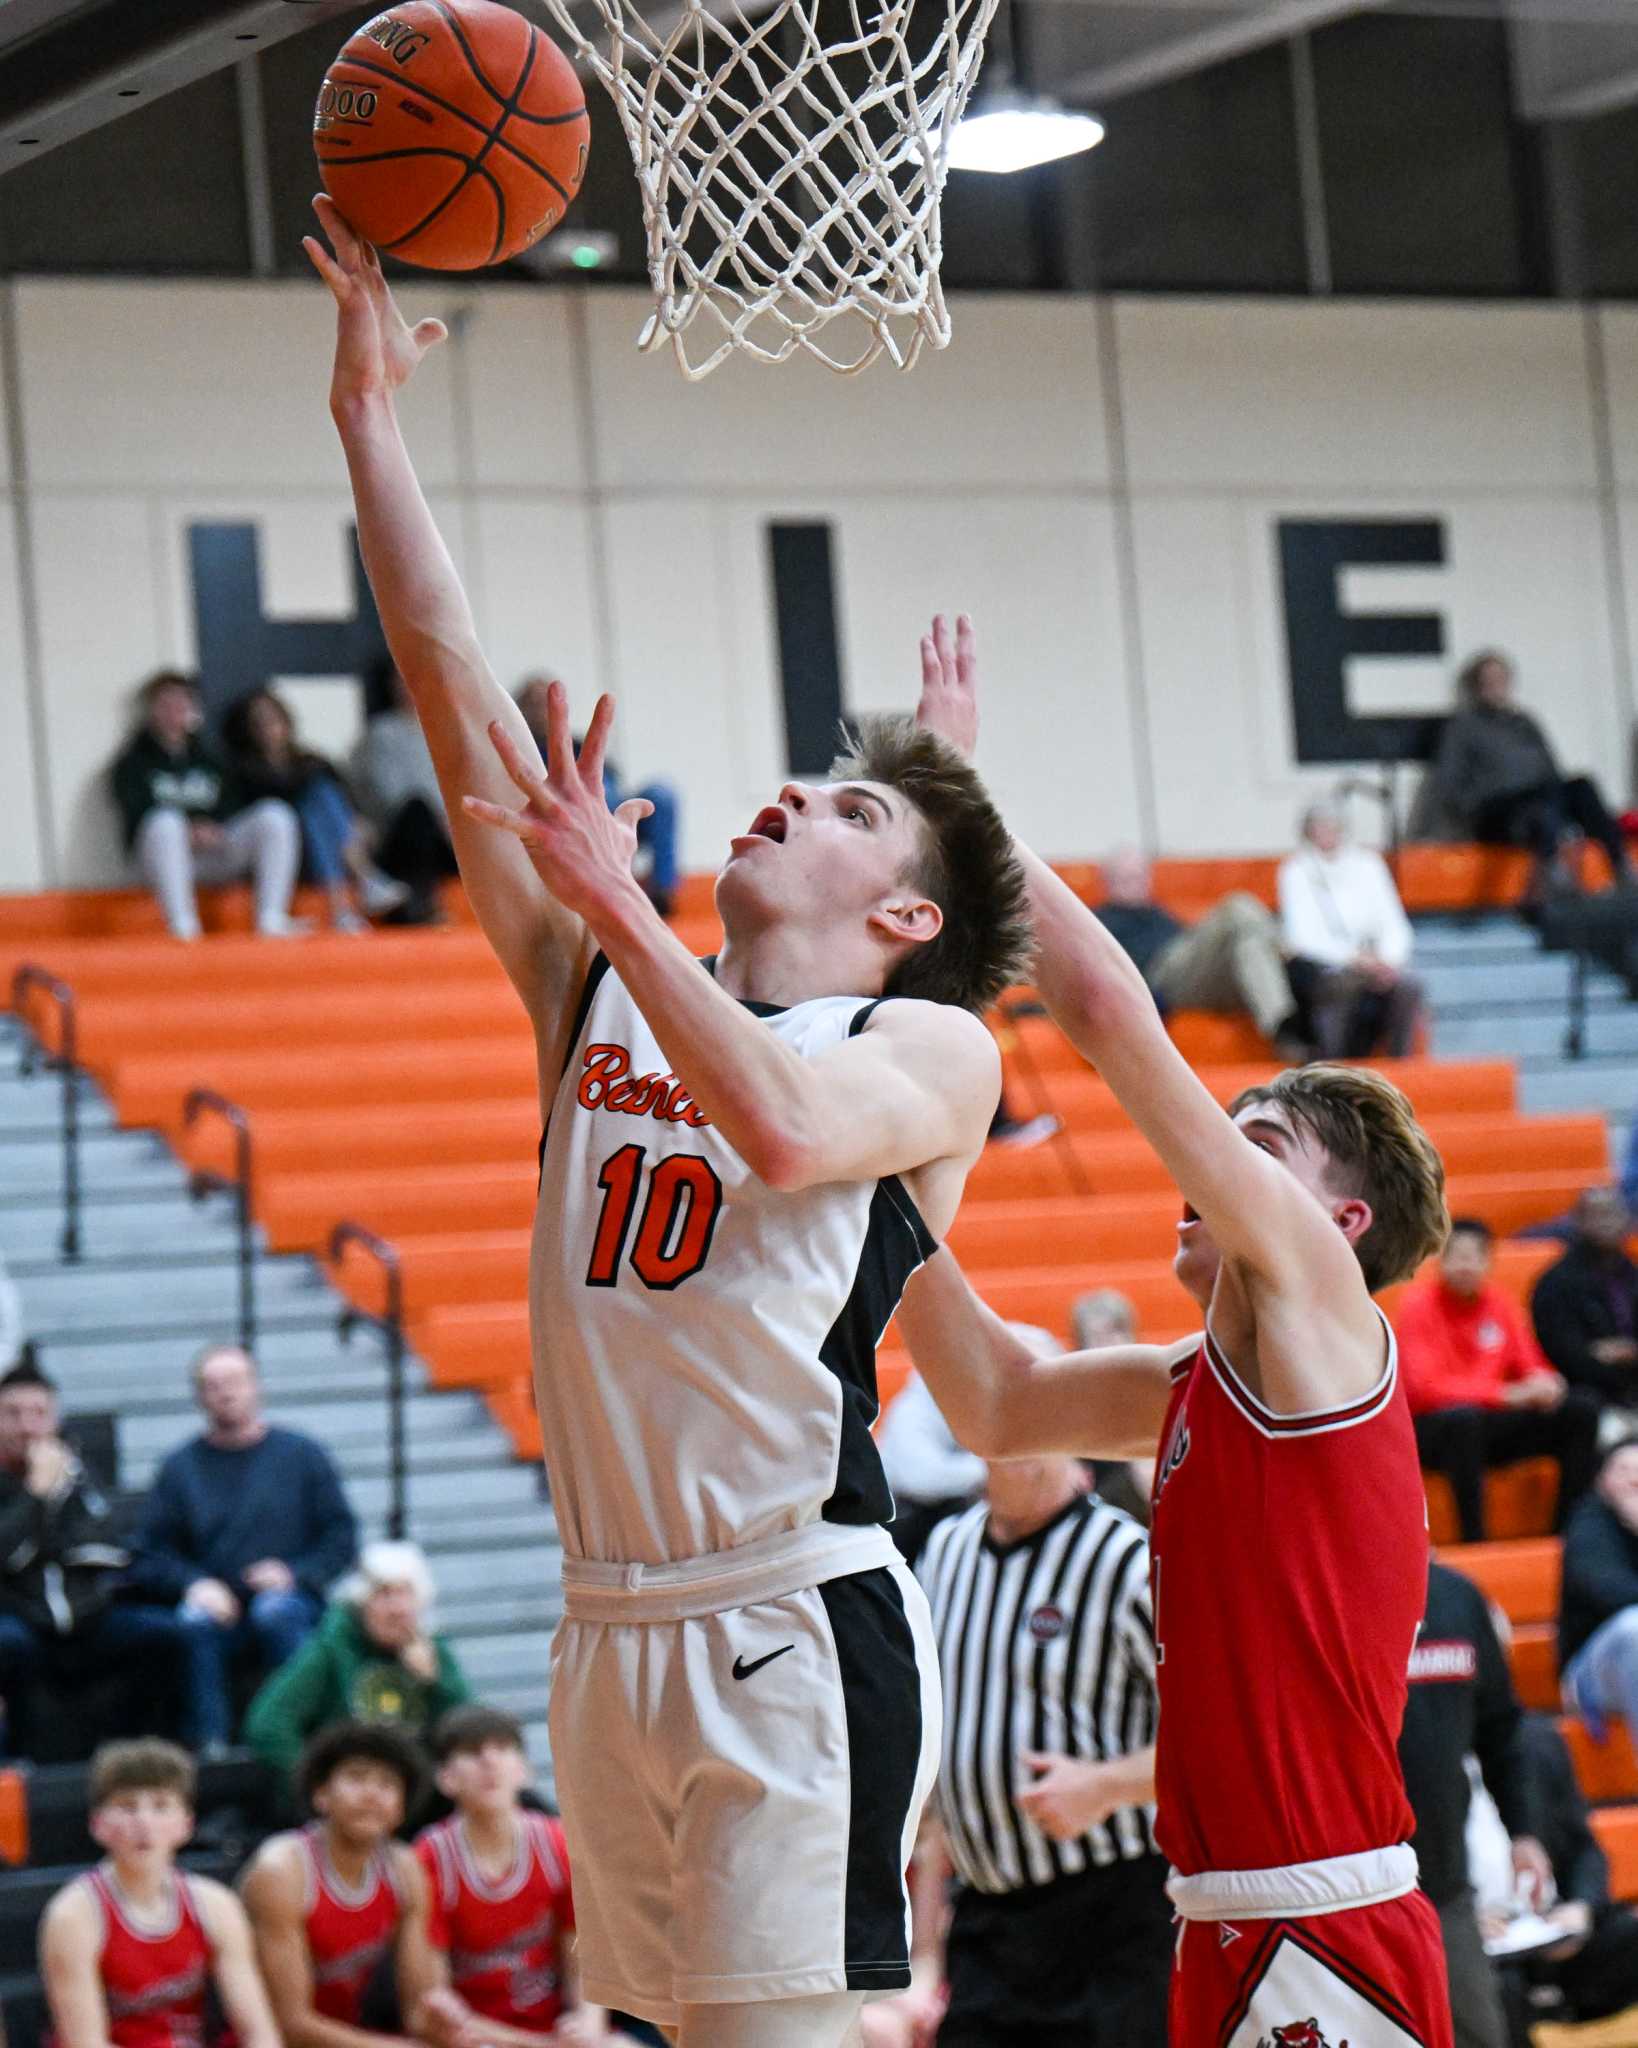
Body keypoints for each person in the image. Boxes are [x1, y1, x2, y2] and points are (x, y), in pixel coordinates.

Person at [307, 200, 1028, 2048]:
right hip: (602, 1618)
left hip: (788, 1612)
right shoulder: (601, 984)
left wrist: (623, 909)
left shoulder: (923, 1044)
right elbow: (449, 675)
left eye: (852, 808)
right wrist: (371, 428)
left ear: (907, 913)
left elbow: (779, 1131)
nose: (793, 790)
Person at [898, 613, 1456, 2045]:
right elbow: (996, 1401)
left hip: (1320, 1916)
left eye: (1256, 1143)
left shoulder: (1323, 1312)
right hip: (1216, 1913)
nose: (1211, 1159)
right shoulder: (1195, 1379)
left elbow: (1102, 1007)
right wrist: (872, 1187)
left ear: (1338, 1223)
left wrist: (953, 805)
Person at [914, 1435, 1168, 2047]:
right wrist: (923, 1955)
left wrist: (1104, 1786)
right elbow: (937, 1790)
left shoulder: (1126, 1559)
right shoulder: (945, 1551)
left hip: (1113, 1922)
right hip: (984, 1918)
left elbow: (1215, 1743)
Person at [132, 1343, 357, 1752]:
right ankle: (211, 1749)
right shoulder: (179, 1468)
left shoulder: (303, 1455)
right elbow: (149, 1552)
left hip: (292, 1600)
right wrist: (194, 1584)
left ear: (257, 1386)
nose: (226, 1393)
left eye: (235, 1381)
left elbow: (342, 1538)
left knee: (276, 1612)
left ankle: (308, 1740)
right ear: (199, 1397)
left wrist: (294, 1574)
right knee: (193, 1622)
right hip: (216, 1604)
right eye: (213, 1385)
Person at [39, 1738, 281, 2048]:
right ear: (97, 1824)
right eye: (127, 1807)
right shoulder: (73, 1915)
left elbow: (259, 2033)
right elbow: (85, 2043)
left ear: (186, 1824)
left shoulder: (216, 1904)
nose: (144, 1823)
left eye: (161, 1806)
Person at [0, 1356, 186, 1756]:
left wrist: (41, 1533)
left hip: (86, 1615)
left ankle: (145, 1753)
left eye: (38, 1413)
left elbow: (108, 1548)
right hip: (20, 1618)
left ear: (55, 1419)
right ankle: (16, 1761)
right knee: (8, 1644)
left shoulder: (79, 1471)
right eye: (13, 1414)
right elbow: (5, 1554)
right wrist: (36, 1495)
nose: (27, 1426)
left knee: (165, 1635)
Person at [1397, 1561, 1547, 2048]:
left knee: (1479, 2034)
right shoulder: (1333, 1593)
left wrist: (1523, 1832)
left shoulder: (1458, 1598)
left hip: (1445, 1885)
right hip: (1352, 1884)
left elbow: (1501, 1729)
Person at [240, 1720, 440, 2048]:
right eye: (357, 1778)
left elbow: (418, 2011)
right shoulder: (281, 1872)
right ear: (321, 1795)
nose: (372, 1794)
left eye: (387, 1784)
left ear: (401, 1808)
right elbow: (290, 2024)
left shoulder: (405, 1868)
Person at [416, 1704, 609, 2043]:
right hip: (478, 2036)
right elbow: (434, 2006)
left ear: (523, 1770)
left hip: (554, 2026)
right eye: (472, 1752)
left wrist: (588, 2020)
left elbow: (585, 1961)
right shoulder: (429, 1859)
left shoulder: (558, 1843)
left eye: (503, 1748)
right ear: (446, 1778)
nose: (490, 1762)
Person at [1400, 1219, 1601, 1544]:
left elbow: (1530, 1363)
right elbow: (1424, 1389)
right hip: (1436, 1431)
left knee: (1581, 1409)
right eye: (1458, 1256)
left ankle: (1566, 1530)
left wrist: (1546, 1382)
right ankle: (1475, 1540)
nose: (1466, 1265)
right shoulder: (1418, 1307)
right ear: (1441, 1260)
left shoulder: (1498, 1304)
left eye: (1474, 1256)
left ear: (1488, 1262)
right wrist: (1505, 1394)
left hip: (1490, 1422)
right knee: (1463, 1420)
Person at [245, 1541, 472, 1790]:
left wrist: (435, 1682)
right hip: (347, 1799)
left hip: (415, 1798)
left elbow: (468, 1732)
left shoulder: (432, 1648)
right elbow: (269, 1724)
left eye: (406, 1594)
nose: (397, 1608)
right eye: (384, 1594)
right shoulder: (332, 1648)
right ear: (362, 1603)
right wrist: (320, 1785)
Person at [109, 670, 304, 940]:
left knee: (275, 814)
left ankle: (271, 918)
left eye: (181, 703)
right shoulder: (132, 764)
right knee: (166, 823)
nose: (174, 711)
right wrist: (188, 830)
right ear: (151, 710)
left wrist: (213, 828)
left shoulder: (212, 760)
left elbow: (233, 805)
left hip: (213, 854)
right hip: (161, 859)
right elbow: (137, 815)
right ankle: (183, 926)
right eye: (166, 704)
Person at [1429, 653, 1632, 895]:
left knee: (1581, 787)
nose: (1495, 685)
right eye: (1488, 680)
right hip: (1498, 810)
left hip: (1541, 798)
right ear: (1477, 685)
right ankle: (1552, 879)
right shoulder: (1462, 727)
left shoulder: (1524, 722)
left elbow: (1551, 769)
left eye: (1500, 679)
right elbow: (1449, 782)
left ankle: (1620, 866)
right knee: (1541, 809)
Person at [1094, 847, 1313, 1064]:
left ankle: (1282, 1029)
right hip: (1163, 975)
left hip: (1196, 974)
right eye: (1125, 877)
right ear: (1107, 881)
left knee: (1249, 942)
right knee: (1239, 906)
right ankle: (1293, 958)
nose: (1135, 883)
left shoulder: (1157, 912)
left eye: (1139, 876)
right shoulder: (1101, 921)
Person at [1491, 1713, 1638, 2029]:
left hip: (1554, 1923)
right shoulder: (1424, 1758)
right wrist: (1466, 1924)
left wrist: (1582, 1907)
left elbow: (1585, 1848)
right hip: (1483, 1943)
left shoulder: (1537, 1739)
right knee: (1498, 1988)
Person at [224, 688, 408, 932]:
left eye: (273, 718)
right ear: (247, 729)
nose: (269, 728)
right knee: (313, 812)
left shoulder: (313, 762)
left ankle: (350, 897)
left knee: (323, 796)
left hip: (337, 841)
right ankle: (359, 885)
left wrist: (357, 819)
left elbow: (342, 798)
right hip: (293, 853)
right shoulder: (243, 772)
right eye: (259, 722)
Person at [518, 679, 681, 921]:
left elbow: (613, 779)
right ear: (521, 709)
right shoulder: (523, 753)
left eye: (545, 701)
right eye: (533, 702)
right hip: (564, 817)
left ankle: (662, 891)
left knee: (662, 795)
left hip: (607, 806)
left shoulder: (578, 744)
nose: (541, 709)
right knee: (598, 793)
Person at [1279, 801, 1425, 1058]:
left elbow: (1393, 923)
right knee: (1340, 987)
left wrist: (1388, 961)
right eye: (1319, 827)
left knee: (1408, 986)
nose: (1326, 833)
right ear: (1308, 832)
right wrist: (1354, 959)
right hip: (1327, 966)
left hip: (1376, 961)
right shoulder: (1296, 870)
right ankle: (1334, 1066)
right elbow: (1302, 936)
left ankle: (1401, 1066)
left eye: (1332, 826)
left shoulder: (1368, 865)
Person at [351, 659, 460, 924]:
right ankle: (418, 904)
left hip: (449, 835)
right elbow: (385, 793)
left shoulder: (449, 729)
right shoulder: (380, 734)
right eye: (402, 681)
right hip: (397, 834)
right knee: (417, 812)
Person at [1531, 1186, 1638, 1415]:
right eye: (1596, 1214)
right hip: (1587, 1396)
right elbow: (1564, 1353)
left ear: (1628, 1221)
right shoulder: (1556, 1283)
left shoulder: (1632, 1274)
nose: (1606, 1222)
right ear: (1577, 1222)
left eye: (1613, 1213)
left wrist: (1629, 1352)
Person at [1559, 1437, 1638, 1746]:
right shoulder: (1588, 1523)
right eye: (1623, 1470)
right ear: (1601, 1481)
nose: (1633, 1480)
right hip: (1589, 1674)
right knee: (1634, 1627)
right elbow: (1606, 1591)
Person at [874, 1369, 985, 1563]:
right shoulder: (914, 1408)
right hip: (903, 1521)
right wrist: (992, 1467)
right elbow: (921, 1480)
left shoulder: (972, 1405)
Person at [1071, 1290, 1153, 1523]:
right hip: (1095, 1506)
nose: (1109, 1342)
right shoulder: (1074, 1401)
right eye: (1097, 1336)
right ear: (1082, 1344)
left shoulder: (1150, 1387)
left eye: (1116, 1331)